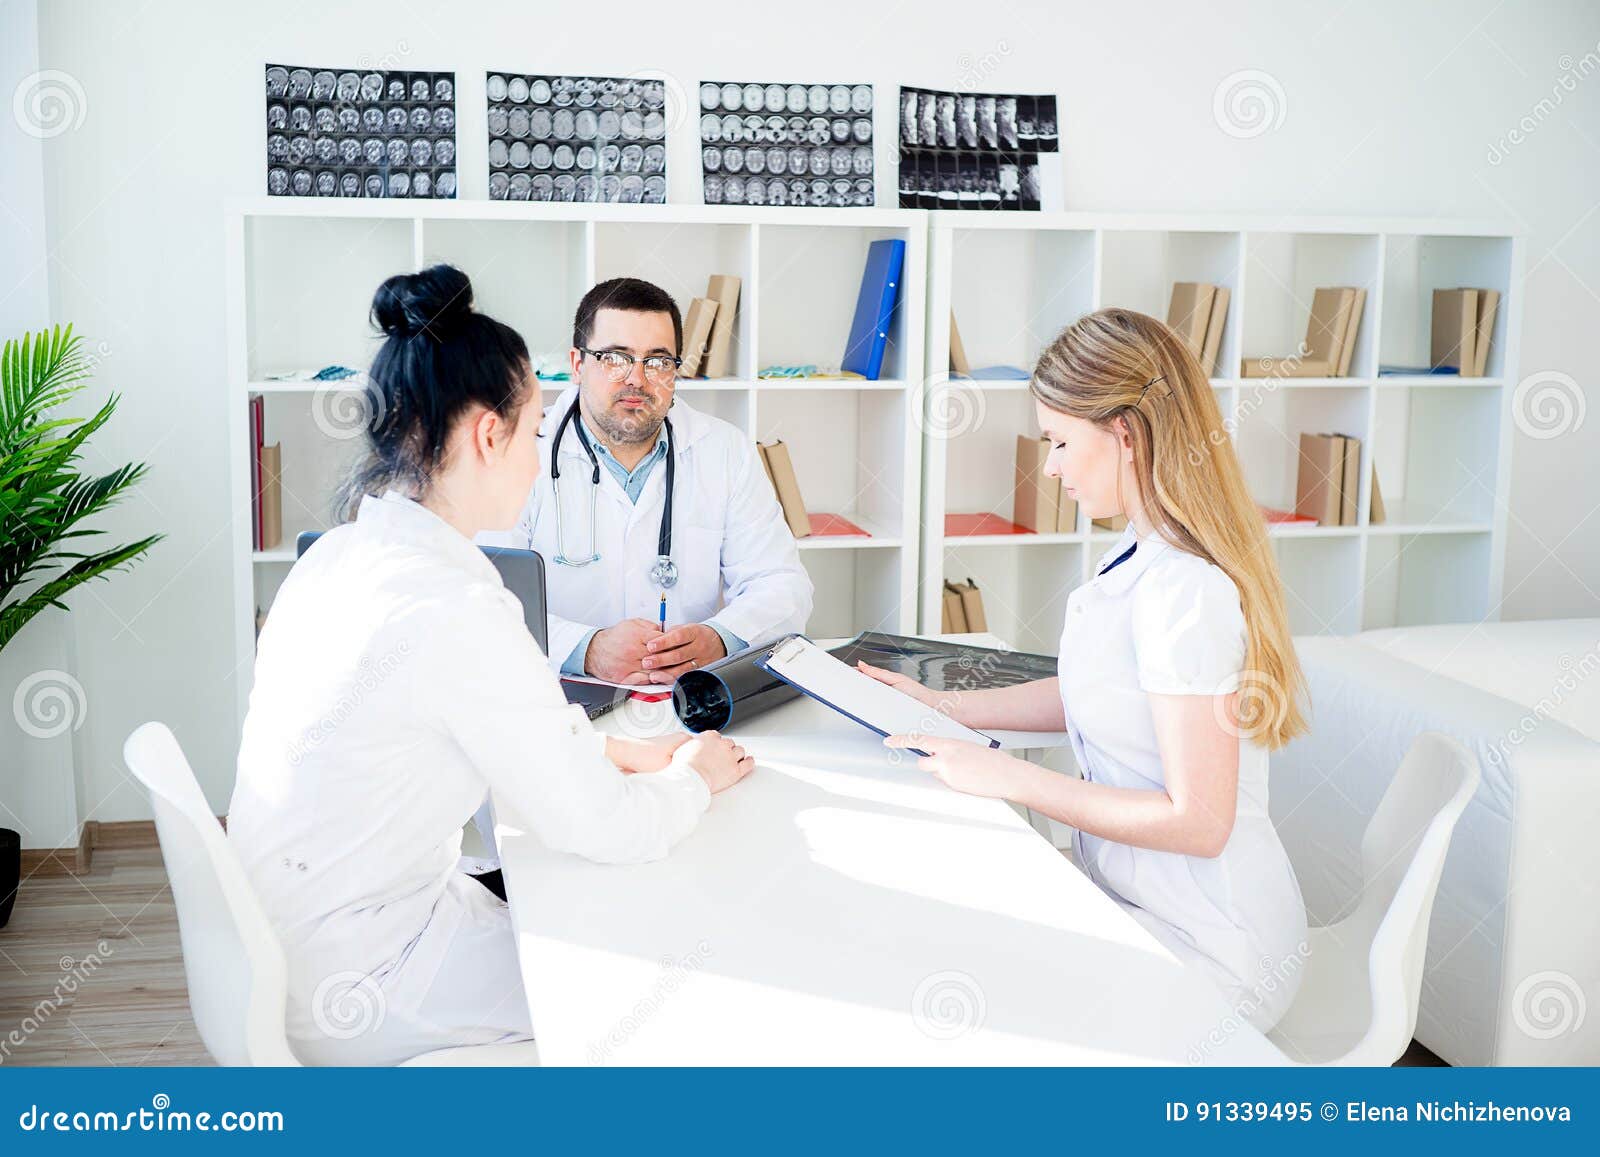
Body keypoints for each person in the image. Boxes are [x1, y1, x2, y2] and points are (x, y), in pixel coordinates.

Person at [227, 265, 753, 1065]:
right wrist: (694, 777)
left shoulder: (337, 556)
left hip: (296, 945)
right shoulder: (454, 607)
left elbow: (479, 725)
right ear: (486, 435)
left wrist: (622, 753)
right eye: (538, 431)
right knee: (660, 982)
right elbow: (603, 826)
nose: (543, 453)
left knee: (584, 915)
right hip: (366, 982)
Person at [862, 308, 1310, 1031]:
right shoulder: (1142, 551)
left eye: (1060, 441)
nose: (1051, 467)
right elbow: (1094, 692)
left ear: (1125, 434)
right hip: (1145, 904)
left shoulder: (1183, 590)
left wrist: (1013, 778)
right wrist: (945, 709)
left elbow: (1200, 822)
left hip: (1215, 951)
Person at [494, 277, 812, 684]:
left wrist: (720, 637)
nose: (637, 379)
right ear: (578, 364)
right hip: (559, 693)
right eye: (615, 358)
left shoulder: (725, 450)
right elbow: (485, 597)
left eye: (658, 361)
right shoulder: (518, 451)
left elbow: (782, 584)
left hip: (688, 695)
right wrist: (585, 649)